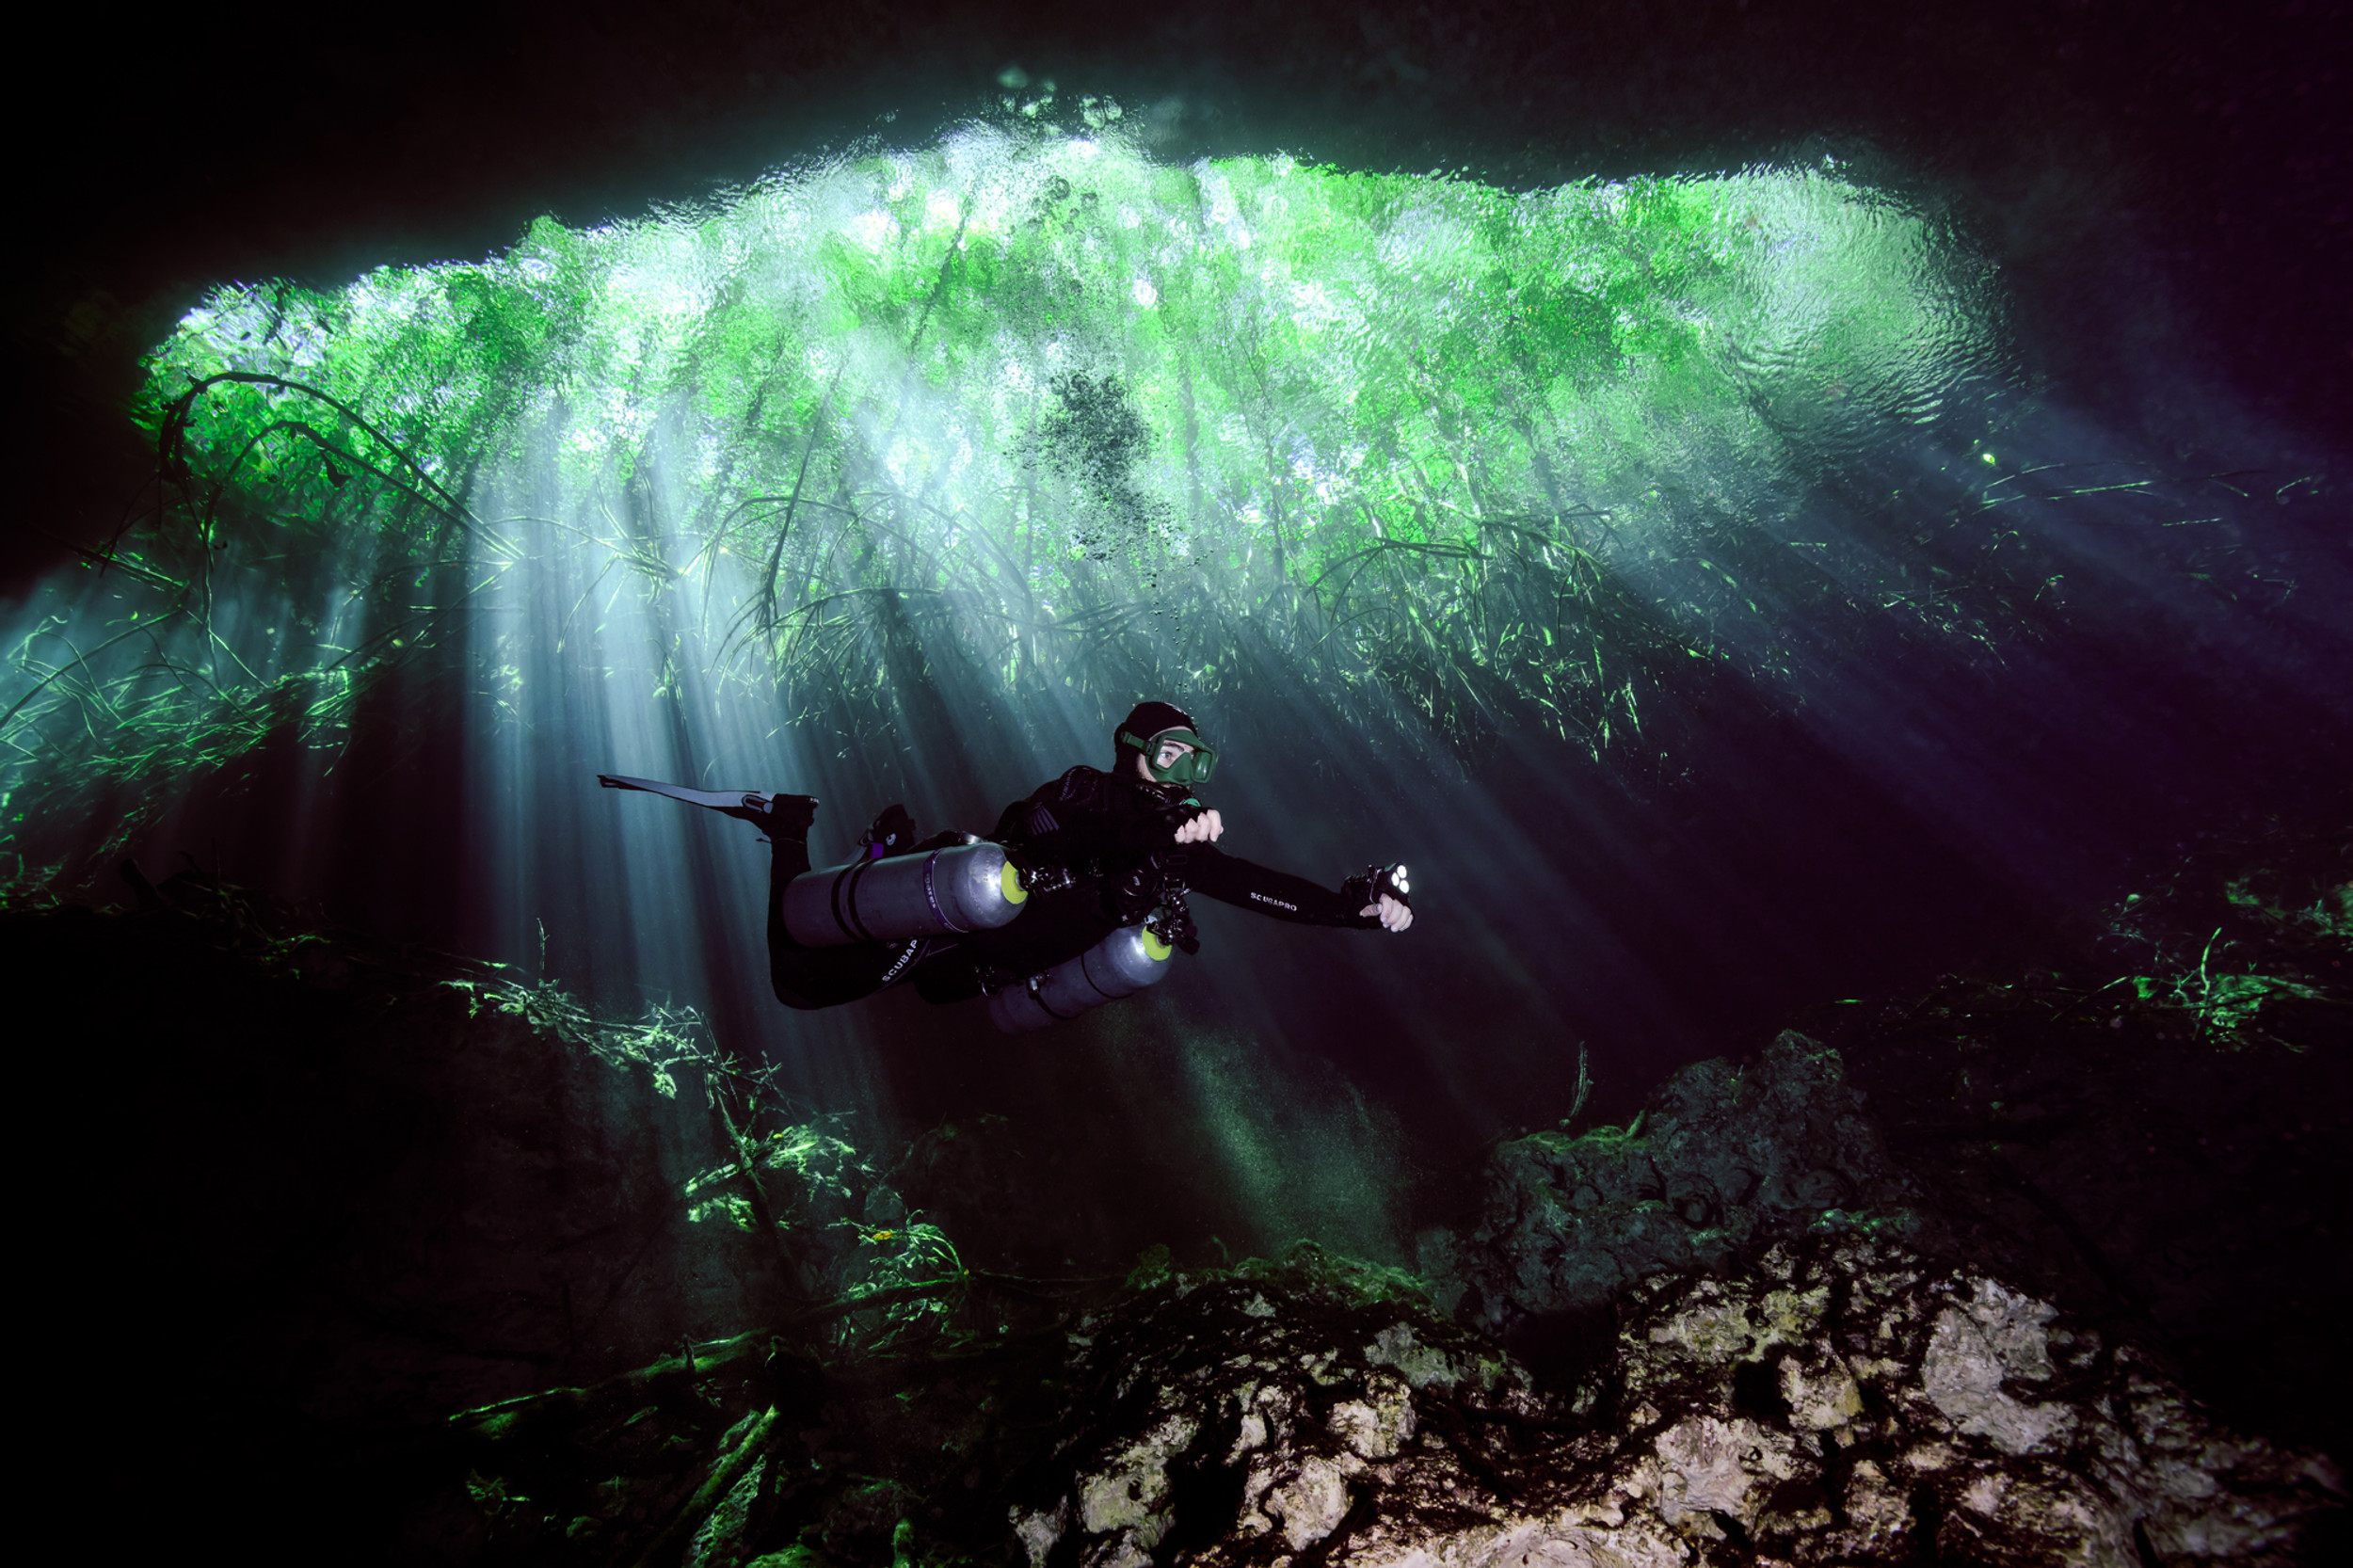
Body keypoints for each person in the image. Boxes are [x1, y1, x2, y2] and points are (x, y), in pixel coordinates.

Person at [602, 701, 1412, 1016]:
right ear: (1132, 750)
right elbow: (1031, 830)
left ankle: (873, 843)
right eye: (1170, 756)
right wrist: (1144, 843)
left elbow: (1253, 886)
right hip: (956, 912)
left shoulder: (1178, 845)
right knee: (797, 986)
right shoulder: (1088, 791)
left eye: (1196, 762)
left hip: (979, 973)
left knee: (909, 992)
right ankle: (787, 825)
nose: (1184, 778)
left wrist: (1351, 909)